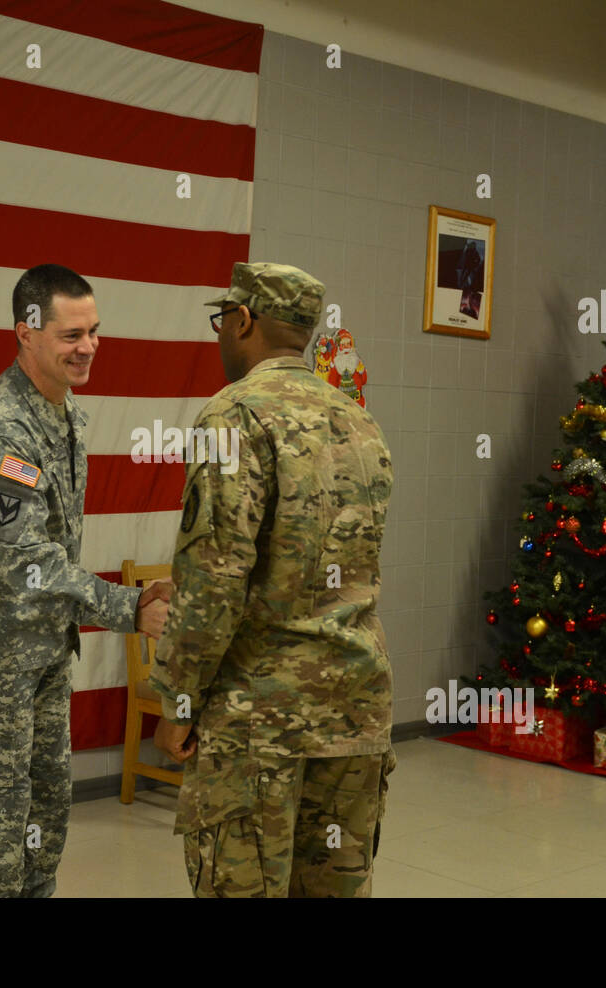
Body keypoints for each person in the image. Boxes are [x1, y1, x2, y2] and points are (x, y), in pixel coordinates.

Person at [0, 263, 171, 897]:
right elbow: (25, 560)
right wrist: (128, 606)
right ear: (26, 333)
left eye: (94, 331)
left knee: (45, 818)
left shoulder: (64, 415)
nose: (88, 347)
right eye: (70, 334)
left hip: (41, 651)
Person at [149, 261, 395, 898]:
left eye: (222, 320)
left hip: (260, 720)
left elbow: (214, 578)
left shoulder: (234, 417)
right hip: (355, 706)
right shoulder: (359, 422)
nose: (221, 333)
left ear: (243, 320)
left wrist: (178, 699)